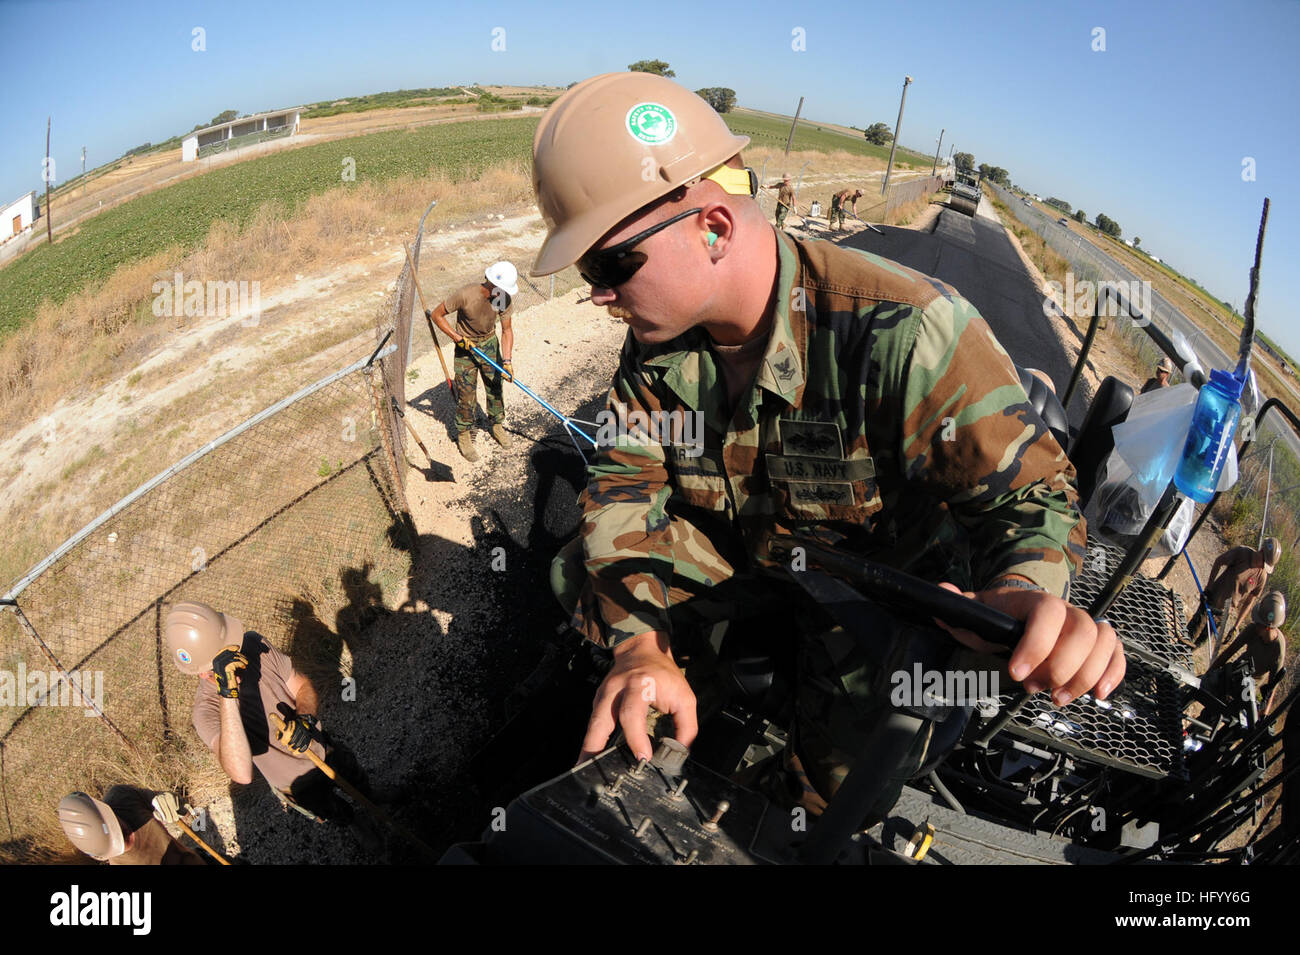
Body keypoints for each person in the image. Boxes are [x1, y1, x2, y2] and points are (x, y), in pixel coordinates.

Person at [528, 72, 1124, 817]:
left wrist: (1029, 593)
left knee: (837, 793)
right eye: (590, 270)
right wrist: (640, 648)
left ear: (713, 227)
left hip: (878, 597)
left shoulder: (907, 333)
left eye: (610, 266)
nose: (598, 294)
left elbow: (1033, 498)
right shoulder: (659, 348)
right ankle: (690, 703)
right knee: (580, 572)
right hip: (756, 556)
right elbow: (624, 483)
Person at [164, 601, 381, 849]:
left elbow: (301, 686)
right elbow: (241, 774)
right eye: (227, 652)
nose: (237, 651)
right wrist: (228, 695)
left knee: (353, 775)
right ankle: (356, 823)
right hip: (294, 783)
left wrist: (305, 719)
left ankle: (374, 798)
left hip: (322, 748)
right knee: (331, 809)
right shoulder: (206, 712)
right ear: (204, 672)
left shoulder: (255, 646)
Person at [425, 261, 518, 462]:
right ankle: (464, 433)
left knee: (495, 386)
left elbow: (507, 330)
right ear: (492, 284)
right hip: (465, 347)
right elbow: (436, 315)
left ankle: (496, 424)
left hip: (489, 345)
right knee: (466, 394)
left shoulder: (502, 299)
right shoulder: (466, 295)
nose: (504, 293)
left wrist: (507, 361)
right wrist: (457, 337)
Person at [57, 787, 205, 865]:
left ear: (107, 812)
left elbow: (182, 805)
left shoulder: (123, 798)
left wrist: (171, 802)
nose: (124, 840)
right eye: (116, 845)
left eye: (119, 830)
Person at [1186, 538, 1280, 652]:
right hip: (1210, 600)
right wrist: (1209, 587)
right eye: (1264, 563)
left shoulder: (1261, 576)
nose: (1263, 567)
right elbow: (1218, 561)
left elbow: (1250, 601)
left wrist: (1235, 626)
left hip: (1223, 613)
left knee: (1200, 642)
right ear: (1261, 551)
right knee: (1190, 634)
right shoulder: (1242, 553)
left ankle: (1181, 660)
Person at [1205, 590, 1287, 717]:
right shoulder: (1252, 630)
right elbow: (1229, 652)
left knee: (1231, 718)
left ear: (1267, 627)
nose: (1255, 624)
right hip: (1235, 673)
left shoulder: (1278, 648)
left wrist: (1263, 714)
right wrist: (1209, 673)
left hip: (1249, 688)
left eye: (1258, 623)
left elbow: (1272, 686)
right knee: (1210, 694)